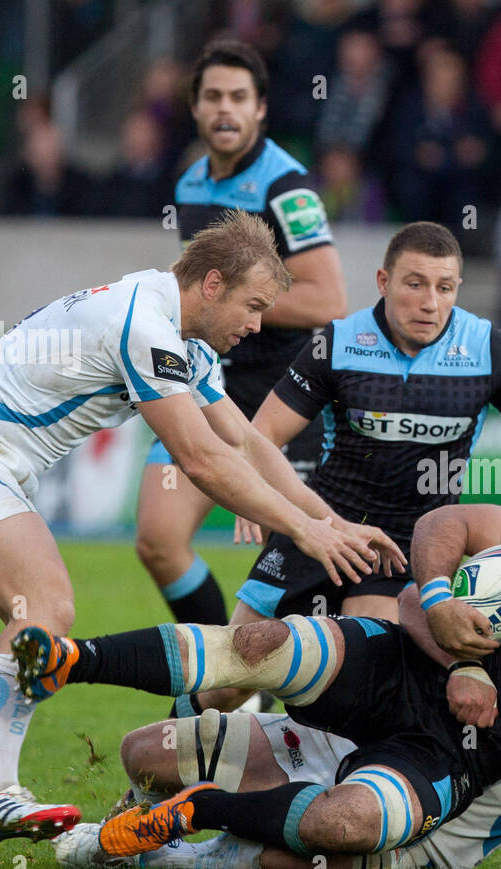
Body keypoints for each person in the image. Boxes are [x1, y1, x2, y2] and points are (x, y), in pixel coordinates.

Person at [0, 210, 401, 861]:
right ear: (211, 283)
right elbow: (200, 458)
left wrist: (326, 524)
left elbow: (241, 438)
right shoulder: (145, 321)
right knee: (45, 608)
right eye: (253, 305)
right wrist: (300, 529)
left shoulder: (181, 337)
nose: (258, 324)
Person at [10, 493, 501, 866]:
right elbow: (442, 526)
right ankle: (76, 659)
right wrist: (457, 641)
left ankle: (199, 811)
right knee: (264, 643)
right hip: (399, 665)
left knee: (344, 826)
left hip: (450, 760)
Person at [174, 220, 501, 722]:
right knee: (233, 678)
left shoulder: (491, 350)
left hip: (414, 546)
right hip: (321, 527)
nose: (430, 302)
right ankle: (161, 764)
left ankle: (312, 781)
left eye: (445, 287)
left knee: (357, 671)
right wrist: (252, 500)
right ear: (384, 282)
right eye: (415, 284)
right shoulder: (338, 343)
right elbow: (263, 433)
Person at [135, 41, 348, 629]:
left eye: (238, 97)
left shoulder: (287, 187)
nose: (224, 109)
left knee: (281, 562)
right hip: (205, 385)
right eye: (212, 97)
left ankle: (274, 702)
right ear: (196, 108)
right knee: (158, 538)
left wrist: (231, 303)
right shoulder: (189, 186)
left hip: (283, 395)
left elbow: (329, 299)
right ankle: (213, 673)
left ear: (259, 110)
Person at [53, 714, 501, 869]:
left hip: (434, 821)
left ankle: (164, 850)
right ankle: (144, 817)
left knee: (311, 848)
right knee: (145, 754)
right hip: (344, 738)